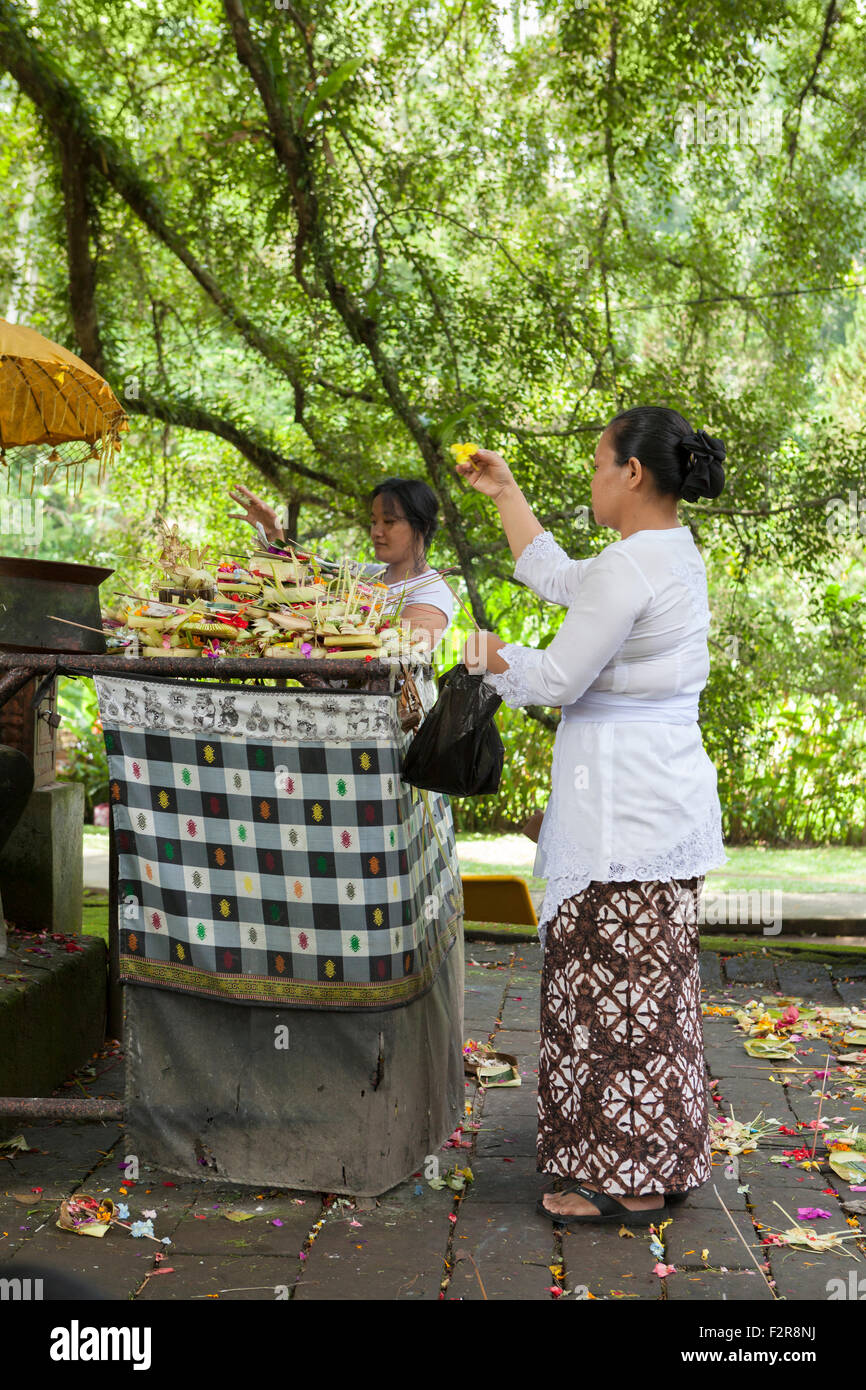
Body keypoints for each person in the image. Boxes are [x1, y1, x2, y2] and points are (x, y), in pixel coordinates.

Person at [455, 407, 729, 1227]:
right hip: (659, 810)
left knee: (611, 999)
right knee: (654, 997)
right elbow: (559, 576)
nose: (591, 479)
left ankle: (627, 1178)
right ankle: (664, 1158)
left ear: (633, 474)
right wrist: (505, 493)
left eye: (598, 464)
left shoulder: (633, 565)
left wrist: (489, 656)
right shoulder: (669, 554)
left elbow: (561, 678)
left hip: (623, 820)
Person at [227, 478, 455, 656]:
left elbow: (397, 653)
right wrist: (274, 535)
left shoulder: (431, 591)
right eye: (374, 521)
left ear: (421, 527)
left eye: (389, 522)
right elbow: (300, 583)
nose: (376, 532)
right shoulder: (367, 574)